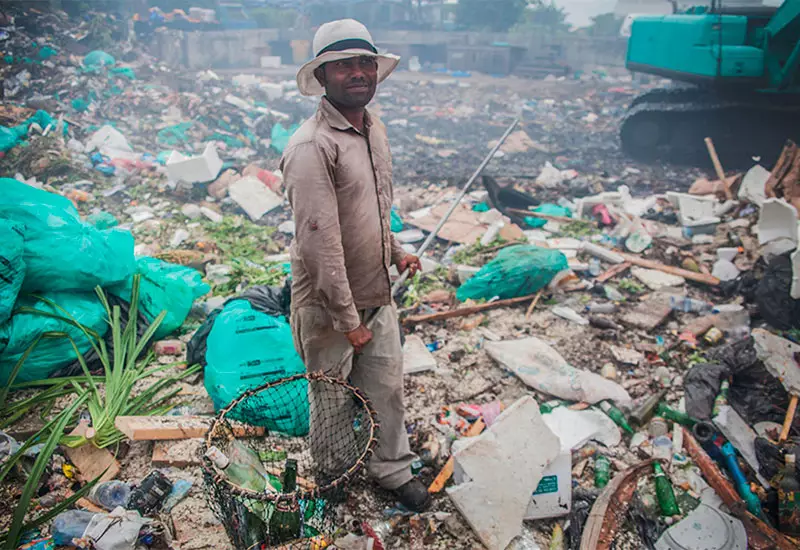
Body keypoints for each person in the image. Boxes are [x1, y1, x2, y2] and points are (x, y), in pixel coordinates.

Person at [280, 19, 430, 512]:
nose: (358, 73)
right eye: (343, 65)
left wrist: (395, 252)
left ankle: (392, 471)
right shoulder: (311, 145)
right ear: (322, 77)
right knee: (332, 402)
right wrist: (348, 321)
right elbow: (317, 246)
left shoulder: (372, 130)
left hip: (376, 294)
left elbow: (374, 211)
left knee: (386, 391)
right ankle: (335, 478)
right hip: (328, 308)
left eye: (365, 63)